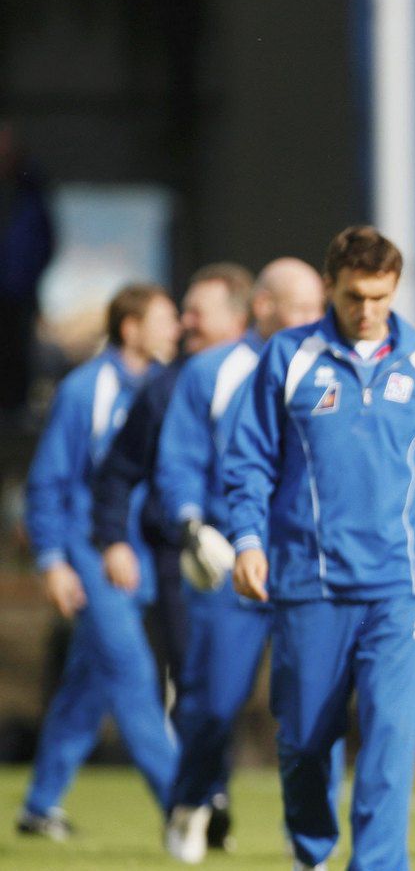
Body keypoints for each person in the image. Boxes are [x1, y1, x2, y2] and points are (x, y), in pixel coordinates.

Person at [224, 226, 415, 871]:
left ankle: (379, 864)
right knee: (305, 740)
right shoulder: (287, 358)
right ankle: (312, 853)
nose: (368, 312)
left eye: (381, 298)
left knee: (389, 738)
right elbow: (247, 461)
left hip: (398, 584)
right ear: (330, 286)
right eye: (355, 296)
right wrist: (247, 541)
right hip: (309, 581)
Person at [157, 258, 326, 862]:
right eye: (300, 309)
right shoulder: (212, 371)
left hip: (307, 559)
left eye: (316, 307)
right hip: (230, 557)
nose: (312, 320)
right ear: (263, 307)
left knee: (314, 702)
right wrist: (192, 524)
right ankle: (190, 799)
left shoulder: (330, 364)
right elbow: (178, 459)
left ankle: (308, 828)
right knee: (215, 700)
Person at [17, 283, 182, 839]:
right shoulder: (84, 389)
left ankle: (40, 806)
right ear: (131, 327)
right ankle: (183, 806)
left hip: (140, 561)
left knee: (88, 687)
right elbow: (48, 481)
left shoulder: (165, 388)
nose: (174, 329)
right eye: (163, 319)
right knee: (135, 675)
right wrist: (52, 560)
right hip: (92, 553)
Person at [93, 263, 255, 694]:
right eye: (186, 312)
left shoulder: (273, 377)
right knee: (195, 685)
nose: (186, 323)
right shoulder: (165, 388)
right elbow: (117, 471)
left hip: (265, 552)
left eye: (198, 312)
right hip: (183, 558)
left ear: (237, 318)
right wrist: (113, 539)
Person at [0, 121, 55, 423]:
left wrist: (26, 276)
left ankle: (13, 411)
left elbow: (43, 239)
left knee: (15, 353)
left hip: (17, 292)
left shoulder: (29, 189)